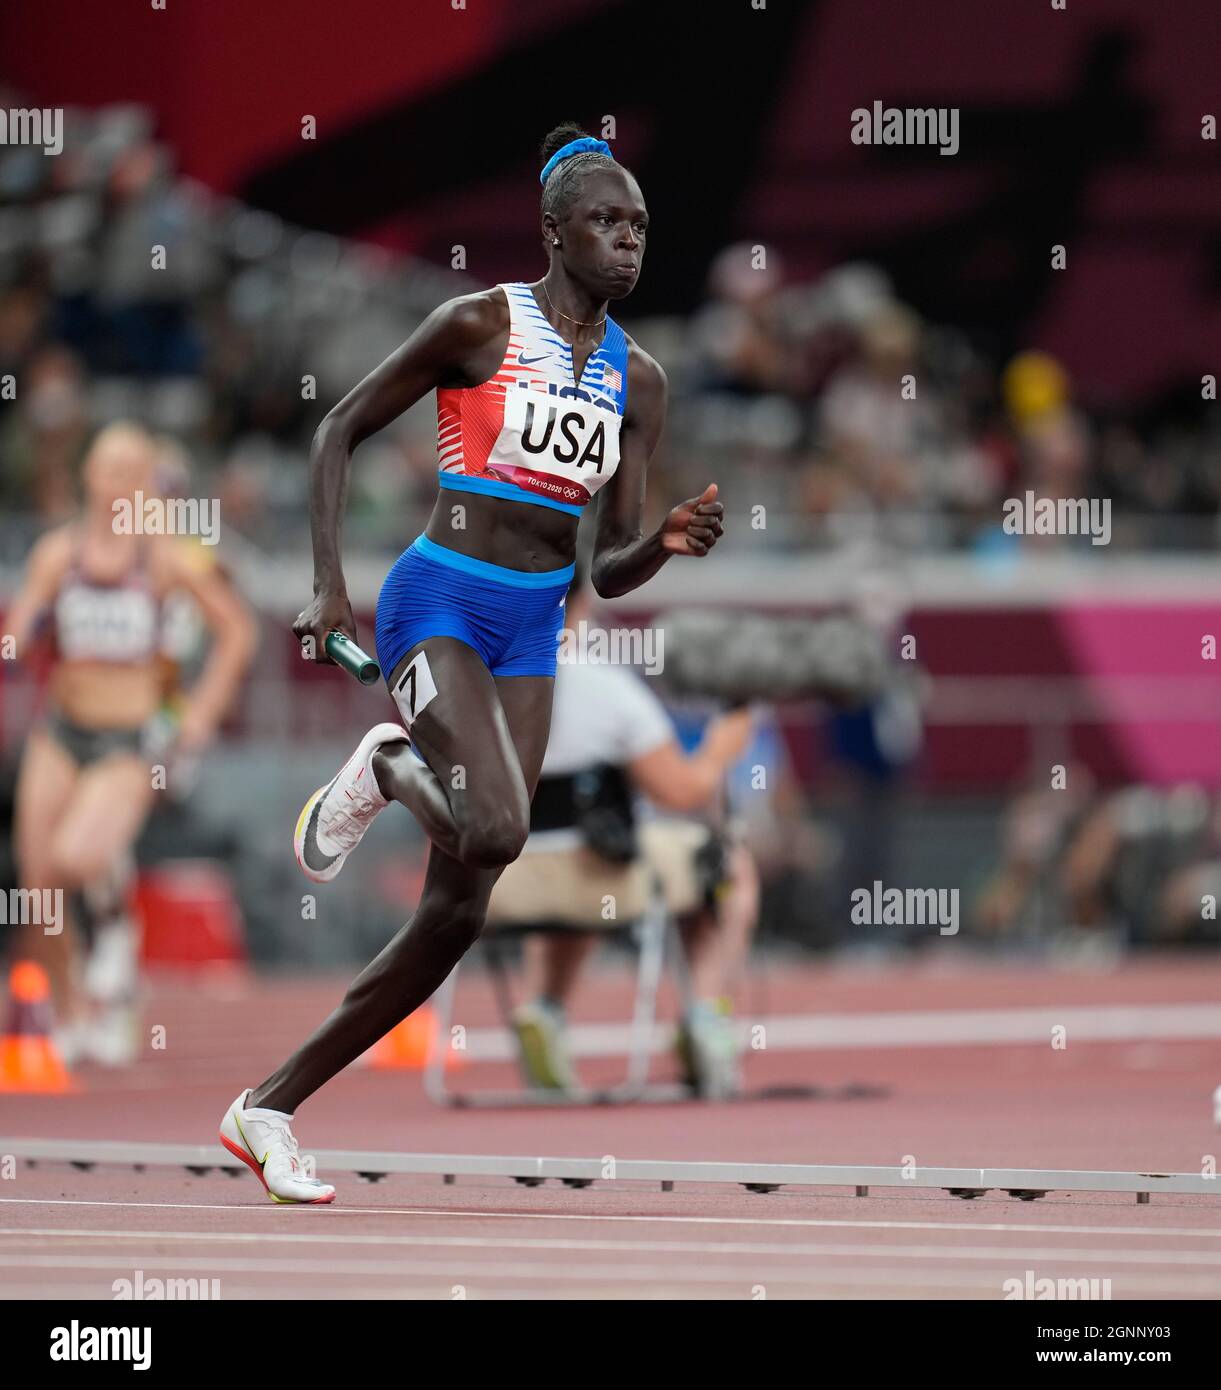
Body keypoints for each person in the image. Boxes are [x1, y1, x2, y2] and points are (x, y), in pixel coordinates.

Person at [219, 124, 727, 1203]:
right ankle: (386, 768)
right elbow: (338, 430)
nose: (628, 242)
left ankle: (266, 1107)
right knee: (495, 824)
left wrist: (666, 541)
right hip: (439, 599)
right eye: (606, 221)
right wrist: (327, 584)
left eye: (640, 226)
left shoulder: (642, 380)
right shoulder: (479, 324)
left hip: (534, 626)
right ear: (553, 231)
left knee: (460, 910)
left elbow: (611, 562)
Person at [4, 421, 256, 1061]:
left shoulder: (166, 558)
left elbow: (238, 631)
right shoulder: (59, 553)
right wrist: (21, 636)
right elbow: (17, 629)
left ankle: (116, 931)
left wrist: (201, 711)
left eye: (130, 469)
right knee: (38, 888)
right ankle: (70, 1014)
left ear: (145, 482)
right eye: (107, 466)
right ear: (88, 473)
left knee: (77, 856)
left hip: (127, 740)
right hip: (60, 730)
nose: (116, 480)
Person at [501, 564, 757, 1098]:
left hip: (498, 886)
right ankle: (706, 1016)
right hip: (598, 876)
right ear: (582, 608)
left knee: (573, 869)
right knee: (724, 864)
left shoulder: (477, 687)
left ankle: (544, 1009)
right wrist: (721, 749)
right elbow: (683, 793)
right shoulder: (608, 689)